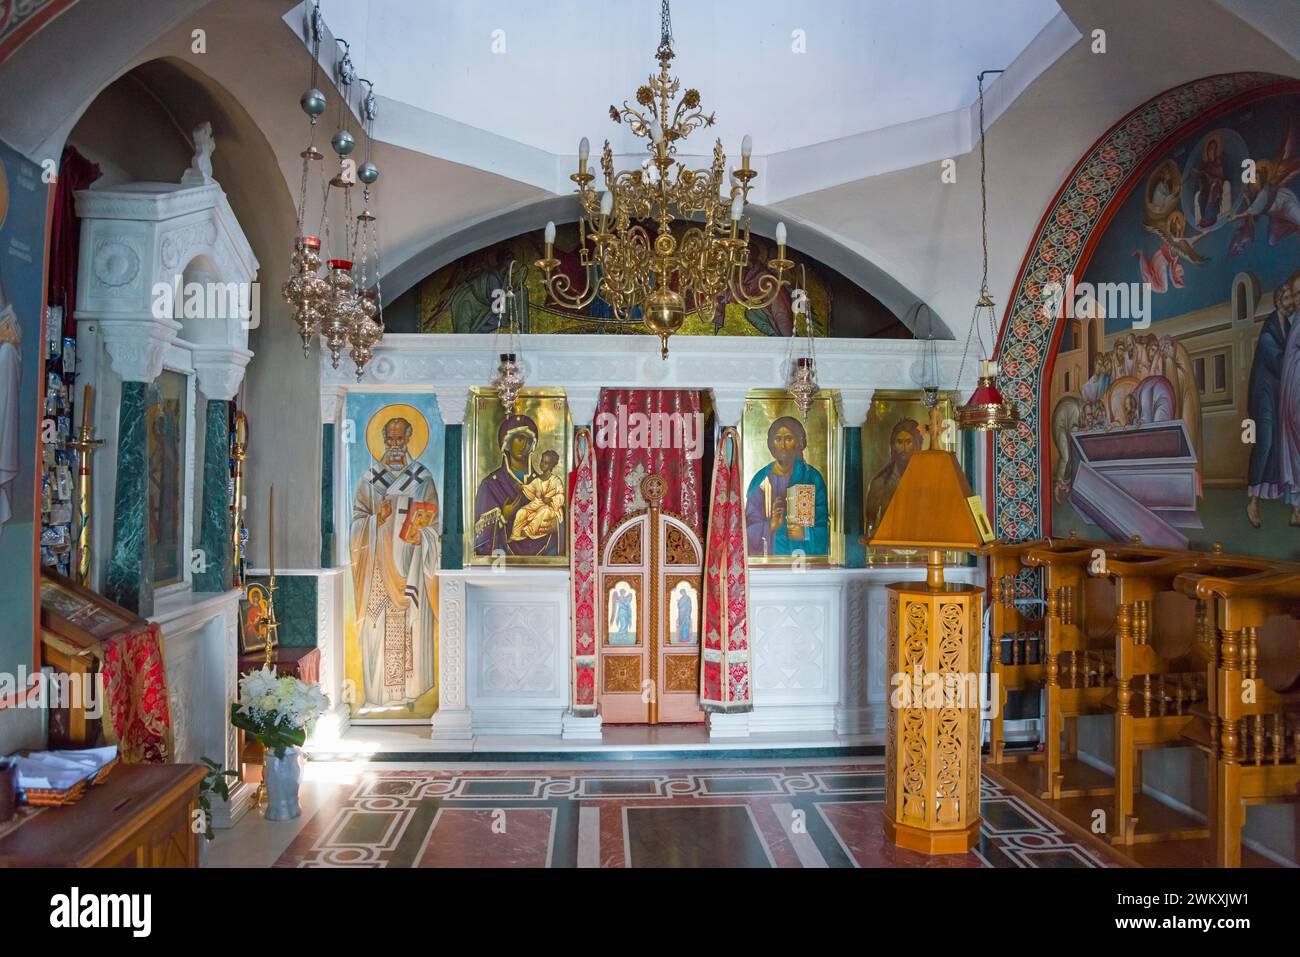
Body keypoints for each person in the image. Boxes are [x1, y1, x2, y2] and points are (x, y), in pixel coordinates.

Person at [349, 416, 440, 709]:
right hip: (377, 567)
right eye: (389, 439)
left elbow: (435, 524)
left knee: (409, 628)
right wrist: (379, 518)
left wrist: (422, 535)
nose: (395, 445)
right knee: (376, 630)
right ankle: (378, 695)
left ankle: (409, 694)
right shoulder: (370, 479)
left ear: (410, 439)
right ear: (383, 440)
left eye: (400, 439)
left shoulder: (422, 478)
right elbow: (356, 523)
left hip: (411, 566)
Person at [473, 413, 561, 556]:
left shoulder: (545, 483)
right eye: (520, 439)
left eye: (529, 441)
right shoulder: (491, 485)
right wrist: (503, 518)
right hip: (501, 558)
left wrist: (556, 526)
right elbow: (479, 541)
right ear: (507, 443)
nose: (524, 445)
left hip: (544, 557)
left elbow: (559, 518)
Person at [745, 415, 829, 557]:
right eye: (778, 439)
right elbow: (747, 527)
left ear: (799, 442)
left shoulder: (811, 478)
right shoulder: (761, 480)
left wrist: (806, 533)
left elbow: (827, 528)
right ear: (771, 444)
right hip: (770, 561)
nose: (783, 446)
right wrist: (770, 526)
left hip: (804, 560)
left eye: (789, 439)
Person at [1246, 280, 1293, 527]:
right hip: (1264, 399)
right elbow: (1280, 362)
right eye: (1287, 300)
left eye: (1292, 300)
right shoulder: (1269, 332)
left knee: (1287, 449)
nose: (1291, 304)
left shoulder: (1289, 325)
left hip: (1280, 398)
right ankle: (1252, 502)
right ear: (1278, 302)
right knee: (1264, 446)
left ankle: (1295, 508)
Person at [1273, 269, 1300, 526]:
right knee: (1292, 453)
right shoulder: (1294, 321)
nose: (1297, 298)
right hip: (1290, 396)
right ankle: (1296, 507)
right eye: (1295, 293)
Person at [864, 418, 922, 538]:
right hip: (888, 544)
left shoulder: (926, 479)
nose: (904, 448)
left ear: (916, 444)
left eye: (908, 442)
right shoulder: (880, 482)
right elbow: (870, 524)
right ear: (893, 446)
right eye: (900, 442)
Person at [510, 448, 564, 543]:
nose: (542, 464)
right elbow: (530, 489)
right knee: (521, 512)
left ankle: (527, 531)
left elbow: (561, 496)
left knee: (543, 512)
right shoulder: (538, 479)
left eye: (546, 463)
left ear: (551, 465)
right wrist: (522, 487)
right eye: (542, 461)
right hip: (537, 504)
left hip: (551, 508)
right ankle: (515, 535)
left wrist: (551, 499)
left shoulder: (556, 480)